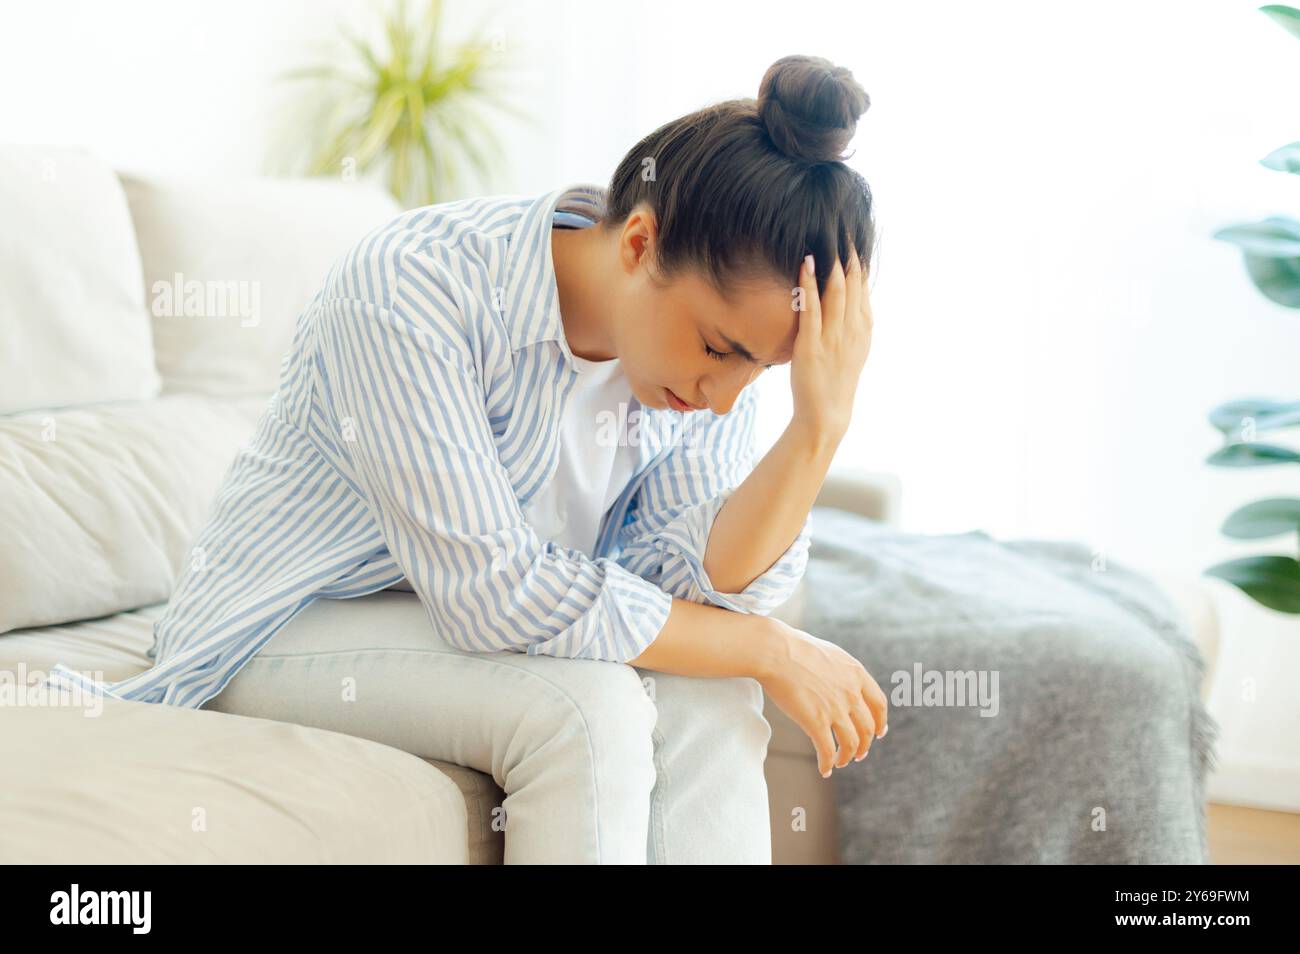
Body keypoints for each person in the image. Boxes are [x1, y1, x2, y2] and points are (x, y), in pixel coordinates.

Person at [47, 53, 885, 864]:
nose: (727, 397)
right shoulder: (413, 288)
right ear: (638, 243)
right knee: (587, 710)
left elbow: (691, 585)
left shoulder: (702, 372)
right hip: (281, 625)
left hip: (468, 638)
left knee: (710, 692)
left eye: (761, 371)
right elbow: (492, 593)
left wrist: (817, 428)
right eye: (720, 349)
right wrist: (772, 648)